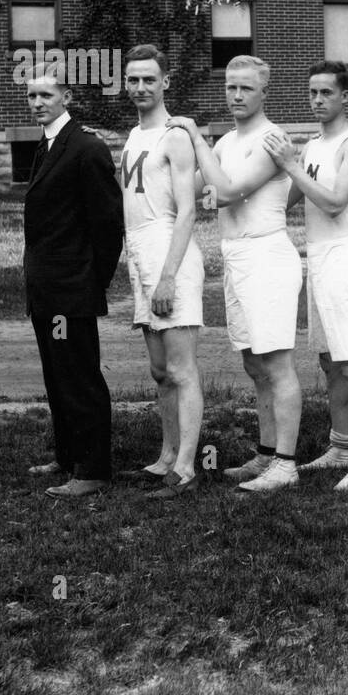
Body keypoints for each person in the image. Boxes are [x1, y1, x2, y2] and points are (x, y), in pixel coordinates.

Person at [167, 56, 303, 493]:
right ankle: (265, 454)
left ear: (265, 91)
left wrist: (194, 136)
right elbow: (193, 190)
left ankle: (286, 464)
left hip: (267, 255)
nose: (237, 96)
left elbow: (225, 192)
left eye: (246, 88)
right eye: (230, 87)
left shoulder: (272, 138)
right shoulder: (226, 141)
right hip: (236, 256)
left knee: (277, 363)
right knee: (253, 362)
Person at [263, 61, 348, 491]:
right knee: (330, 362)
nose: (317, 100)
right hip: (319, 259)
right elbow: (285, 201)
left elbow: (332, 202)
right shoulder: (311, 146)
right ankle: (341, 445)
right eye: (312, 92)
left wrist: (290, 165)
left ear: (345, 96)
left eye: (326, 93)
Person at [22, 66, 124, 498]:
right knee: (55, 375)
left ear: (67, 96)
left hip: (73, 288)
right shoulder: (45, 146)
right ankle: (67, 456)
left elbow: (107, 225)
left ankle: (93, 469)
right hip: (46, 286)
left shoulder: (85, 147)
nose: (38, 103)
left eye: (46, 94)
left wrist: (89, 281)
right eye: (31, 96)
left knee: (79, 377)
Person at [115, 45, 205, 498]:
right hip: (141, 254)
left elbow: (188, 212)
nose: (140, 88)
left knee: (181, 368)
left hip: (171, 252)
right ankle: (166, 456)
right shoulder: (135, 134)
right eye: (133, 79)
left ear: (165, 81)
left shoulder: (175, 136)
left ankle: (187, 468)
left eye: (149, 79)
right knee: (159, 370)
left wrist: (168, 276)